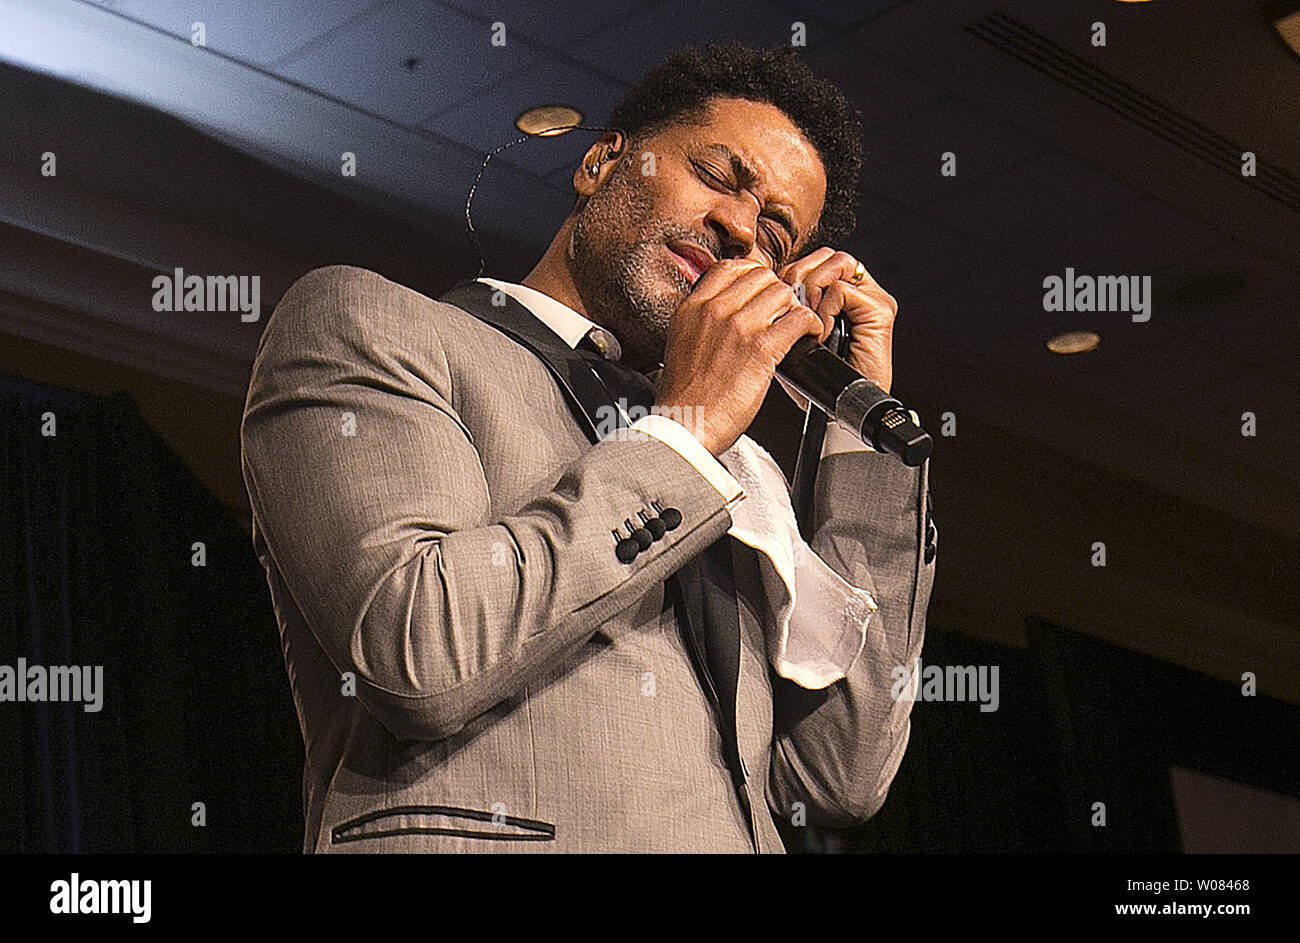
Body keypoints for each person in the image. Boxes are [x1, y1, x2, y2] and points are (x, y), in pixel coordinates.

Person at [241, 42, 936, 853]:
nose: (739, 228)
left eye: (776, 234)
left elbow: (838, 776)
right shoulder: (369, 326)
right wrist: (685, 435)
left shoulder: (737, 474)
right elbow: (417, 652)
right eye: (718, 176)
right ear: (602, 162)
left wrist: (856, 438)